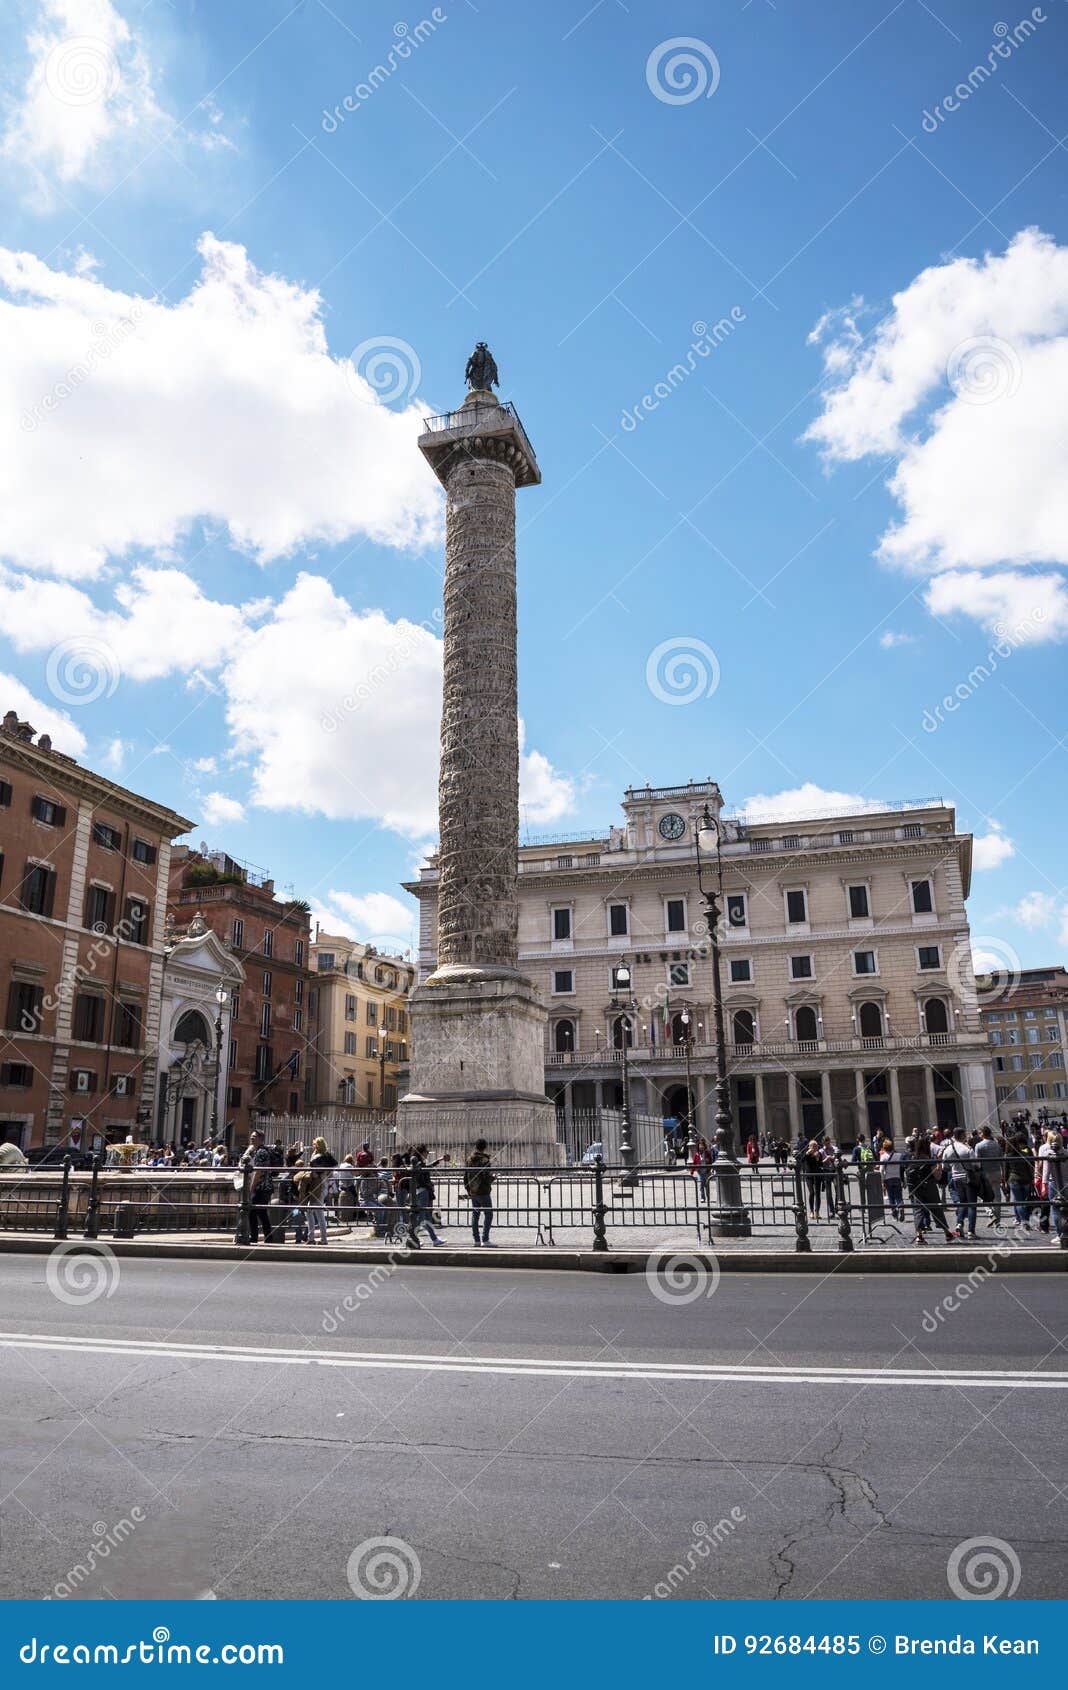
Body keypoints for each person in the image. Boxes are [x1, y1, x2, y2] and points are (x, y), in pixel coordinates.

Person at [906, 1133, 957, 1245]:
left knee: (918, 1210)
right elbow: (937, 1176)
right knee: (936, 1209)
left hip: (916, 1187)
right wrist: (938, 1164)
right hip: (929, 1186)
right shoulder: (929, 1159)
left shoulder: (911, 1158)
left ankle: (919, 1237)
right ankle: (947, 1233)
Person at [940, 1127, 979, 1239]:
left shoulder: (948, 1149)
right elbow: (977, 1165)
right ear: (962, 1136)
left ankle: (959, 1224)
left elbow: (944, 1167)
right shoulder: (967, 1149)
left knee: (962, 1202)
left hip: (956, 1178)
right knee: (972, 1205)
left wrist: (953, 1167)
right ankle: (971, 1231)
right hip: (968, 1178)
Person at [243, 1130, 276, 1244]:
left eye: (254, 1137)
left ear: (260, 1139)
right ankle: (267, 1238)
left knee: (254, 1212)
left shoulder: (261, 1152)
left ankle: (255, 1237)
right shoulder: (260, 1150)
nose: (251, 1138)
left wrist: (251, 1189)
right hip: (266, 1187)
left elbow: (258, 1172)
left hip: (261, 1188)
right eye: (251, 1136)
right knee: (261, 1212)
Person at [409, 1145, 445, 1246]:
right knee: (421, 1217)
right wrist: (429, 1185)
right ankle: (413, 1239)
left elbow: (428, 1168)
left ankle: (434, 1239)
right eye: (426, 1151)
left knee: (426, 1217)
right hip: (423, 1192)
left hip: (424, 1191)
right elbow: (420, 1180)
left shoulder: (420, 1164)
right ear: (421, 1153)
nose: (427, 1153)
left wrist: (439, 1160)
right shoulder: (419, 1164)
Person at [1038, 1130, 1068, 1244]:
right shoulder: (1066, 1152)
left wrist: (1043, 1186)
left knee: (1055, 1210)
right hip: (1067, 1183)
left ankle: (1060, 1235)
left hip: (1054, 1183)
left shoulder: (1048, 1154)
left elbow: (1046, 1172)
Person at [973, 1124, 1004, 1228]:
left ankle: (991, 1214)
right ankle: (998, 1220)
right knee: (997, 1196)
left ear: (982, 1134)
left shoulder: (979, 1146)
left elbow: (977, 1162)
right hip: (996, 1172)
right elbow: (1002, 1160)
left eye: (980, 1133)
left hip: (985, 1173)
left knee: (984, 1196)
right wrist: (1003, 1172)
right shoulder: (996, 1145)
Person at [464, 1139, 494, 1246]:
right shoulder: (485, 1160)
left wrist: (468, 1189)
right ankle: (485, 1239)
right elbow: (486, 1177)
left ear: (476, 1146)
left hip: (473, 1191)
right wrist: (493, 1178)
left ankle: (476, 1240)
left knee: (475, 1215)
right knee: (488, 1214)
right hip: (483, 1191)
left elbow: (465, 1176)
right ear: (485, 1147)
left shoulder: (469, 1159)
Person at [1004, 1134, 1035, 1230]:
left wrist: (1005, 1181)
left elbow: (1006, 1171)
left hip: (1014, 1180)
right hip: (1025, 1179)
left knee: (1019, 1202)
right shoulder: (1024, 1153)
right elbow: (1029, 1168)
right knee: (1024, 1201)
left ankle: (1024, 1221)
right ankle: (1025, 1220)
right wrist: (1031, 1178)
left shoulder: (1007, 1156)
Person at [880, 1137, 907, 1221]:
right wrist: (904, 1180)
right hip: (897, 1178)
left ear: (884, 1148)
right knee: (899, 1196)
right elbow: (902, 1169)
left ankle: (894, 1215)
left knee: (891, 1198)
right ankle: (901, 1207)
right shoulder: (899, 1155)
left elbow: (881, 1170)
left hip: (888, 1179)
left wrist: (882, 1180)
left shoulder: (883, 1157)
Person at [802, 1140, 824, 1219]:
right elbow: (802, 1160)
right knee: (812, 1192)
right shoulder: (806, 1154)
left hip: (817, 1175)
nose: (814, 1148)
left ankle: (817, 1212)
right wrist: (807, 1153)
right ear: (809, 1147)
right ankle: (811, 1211)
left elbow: (821, 1164)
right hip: (809, 1176)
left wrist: (818, 1158)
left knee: (818, 1194)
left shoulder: (819, 1154)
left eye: (816, 1146)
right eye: (812, 1146)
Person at [691, 1136, 713, 1200]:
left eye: (702, 1146)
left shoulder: (707, 1153)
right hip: (700, 1172)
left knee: (706, 1185)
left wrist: (709, 1164)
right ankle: (702, 1197)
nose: (701, 1147)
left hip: (706, 1171)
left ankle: (708, 1196)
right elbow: (694, 1163)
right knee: (701, 1185)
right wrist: (692, 1171)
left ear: (704, 1146)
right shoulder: (697, 1154)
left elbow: (711, 1161)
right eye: (700, 1146)